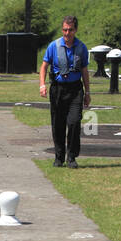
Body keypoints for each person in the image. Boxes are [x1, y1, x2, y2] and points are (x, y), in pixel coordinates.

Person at [39, 15, 91, 168]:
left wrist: (87, 93)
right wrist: (42, 85)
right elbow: (44, 66)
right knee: (58, 124)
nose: (67, 33)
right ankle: (59, 156)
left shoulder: (81, 48)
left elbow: (84, 70)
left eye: (70, 30)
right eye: (65, 30)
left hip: (75, 89)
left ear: (75, 30)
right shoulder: (53, 46)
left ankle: (72, 157)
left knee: (74, 122)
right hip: (58, 89)